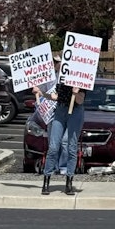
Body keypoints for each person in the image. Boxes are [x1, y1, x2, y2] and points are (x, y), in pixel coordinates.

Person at [40, 60, 86, 196]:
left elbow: (80, 100)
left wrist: (76, 93)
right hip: (60, 111)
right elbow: (55, 97)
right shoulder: (61, 80)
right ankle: (46, 180)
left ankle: (69, 182)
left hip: (76, 111)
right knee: (53, 146)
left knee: (71, 146)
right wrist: (41, 93)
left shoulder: (81, 79)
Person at [32, 55, 70, 177]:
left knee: (65, 142)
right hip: (51, 112)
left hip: (66, 111)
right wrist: (36, 89)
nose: (55, 64)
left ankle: (64, 167)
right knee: (53, 143)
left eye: (57, 61)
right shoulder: (49, 77)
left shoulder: (67, 77)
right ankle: (53, 167)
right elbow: (40, 90)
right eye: (54, 62)